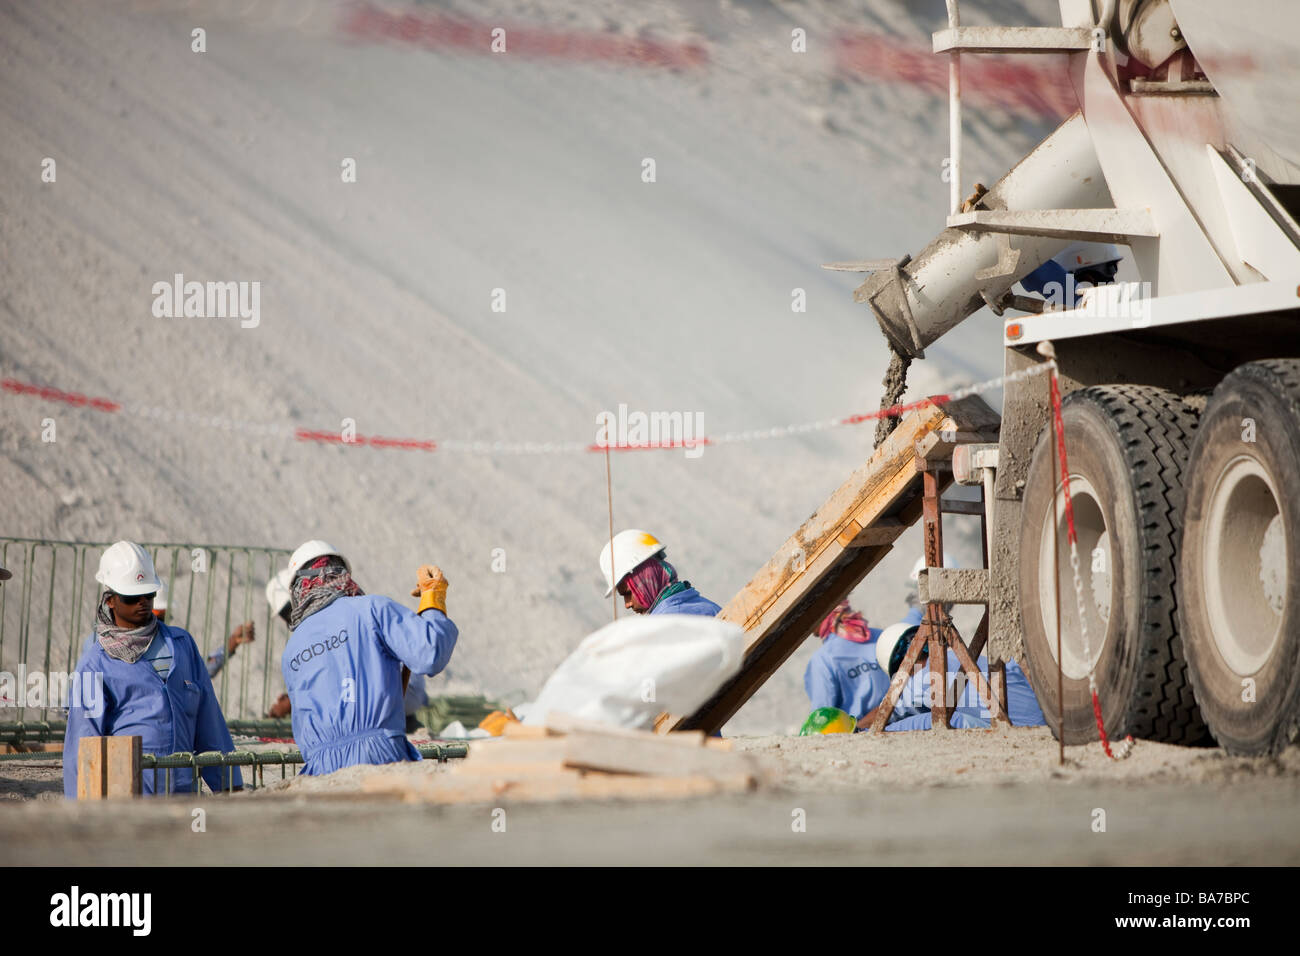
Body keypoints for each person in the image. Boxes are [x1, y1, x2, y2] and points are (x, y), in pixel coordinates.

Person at [63, 541, 242, 796]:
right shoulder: (95, 665)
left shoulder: (181, 645)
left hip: (184, 797)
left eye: (149, 594)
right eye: (132, 597)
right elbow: (83, 746)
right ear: (110, 600)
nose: (143, 603)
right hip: (129, 803)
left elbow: (209, 722)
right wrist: (79, 815)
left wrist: (230, 786)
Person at [280, 540, 458, 775]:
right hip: (378, 756)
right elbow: (430, 653)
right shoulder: (372, 609)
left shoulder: (291, 649)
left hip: (318, 768)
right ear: (339, 572)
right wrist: (433, 599)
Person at [873, 622, 1045, 731]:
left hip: (1019, 729)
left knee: (940, 719)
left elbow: (885, 715)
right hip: (1046, 723)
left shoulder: (922, 680)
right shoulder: (972, 657)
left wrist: (862, 730)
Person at [802, 600, 891, 728]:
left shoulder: (823, 658)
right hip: (904, 721)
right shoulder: (883, 636)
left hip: (859, 734)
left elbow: (822, 718)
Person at [598, 529, 720, 616]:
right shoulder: (707, 606)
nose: (627, 604)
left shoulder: (665, 625)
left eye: (628, 593)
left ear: (645, 577)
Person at [150, 580, 255, 680]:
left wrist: (232, 643)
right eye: (157, 618)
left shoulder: (170, 650)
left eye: (163, 619)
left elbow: (201, 671)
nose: (160, 625)